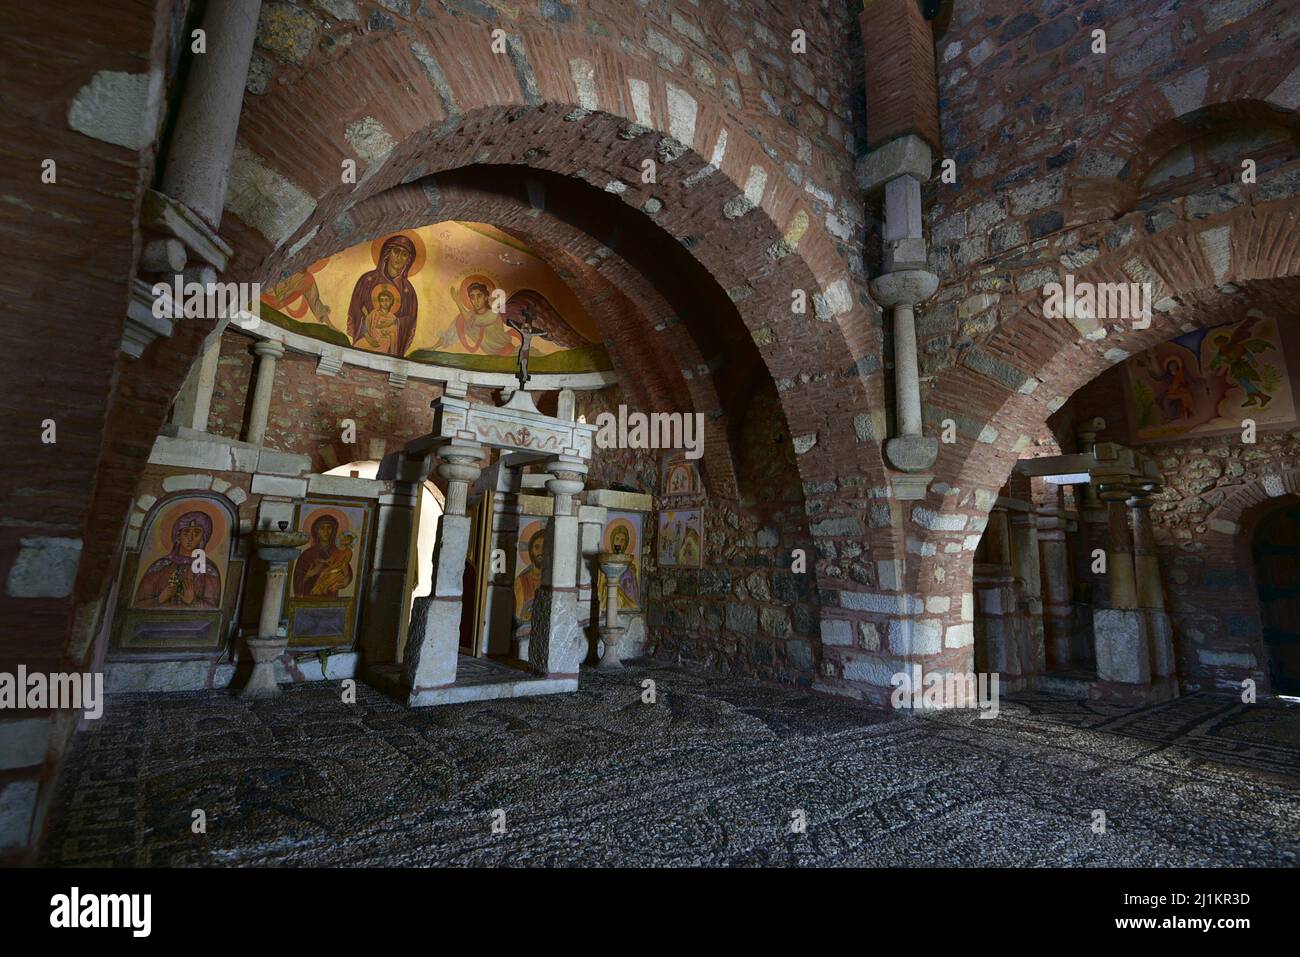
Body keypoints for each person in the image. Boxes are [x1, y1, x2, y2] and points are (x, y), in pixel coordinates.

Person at [347, 235, 419, 355]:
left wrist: (394, 322)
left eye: (404, 254)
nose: (399, 257)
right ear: (387, 253)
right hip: (365, 343)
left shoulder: (409, 292)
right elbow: (356, 312)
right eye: (396, 251)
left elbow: (410, 321)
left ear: (408, 260)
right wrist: (367, 335)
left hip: (391, 346)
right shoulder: (367, 280)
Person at [134, 511, 222, 608]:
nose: (190, 538)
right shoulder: (160, 566)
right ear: (178, 535)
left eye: (196, 533)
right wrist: (160, 599)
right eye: (186, 532)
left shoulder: (208, 569)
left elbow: (214, 609)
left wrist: (193, 601)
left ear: (203, 538)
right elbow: (138, 604)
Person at [294, 515, 354, 598]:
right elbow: (298, 579)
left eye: (329, 528)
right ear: (316, 532)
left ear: (333, 531)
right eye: (322, 528)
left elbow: (345, 567)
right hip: (309, 598)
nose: (326, 531)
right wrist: (308, 575)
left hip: (331, 597)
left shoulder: (338, 552)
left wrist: (345, 581)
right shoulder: (307, 554)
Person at [513, 529, 546, 626]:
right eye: (537, 547)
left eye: (545, 547)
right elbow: (519, 617)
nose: (541, 552)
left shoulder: (553, 580)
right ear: (531, 551)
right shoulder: (521, 582)